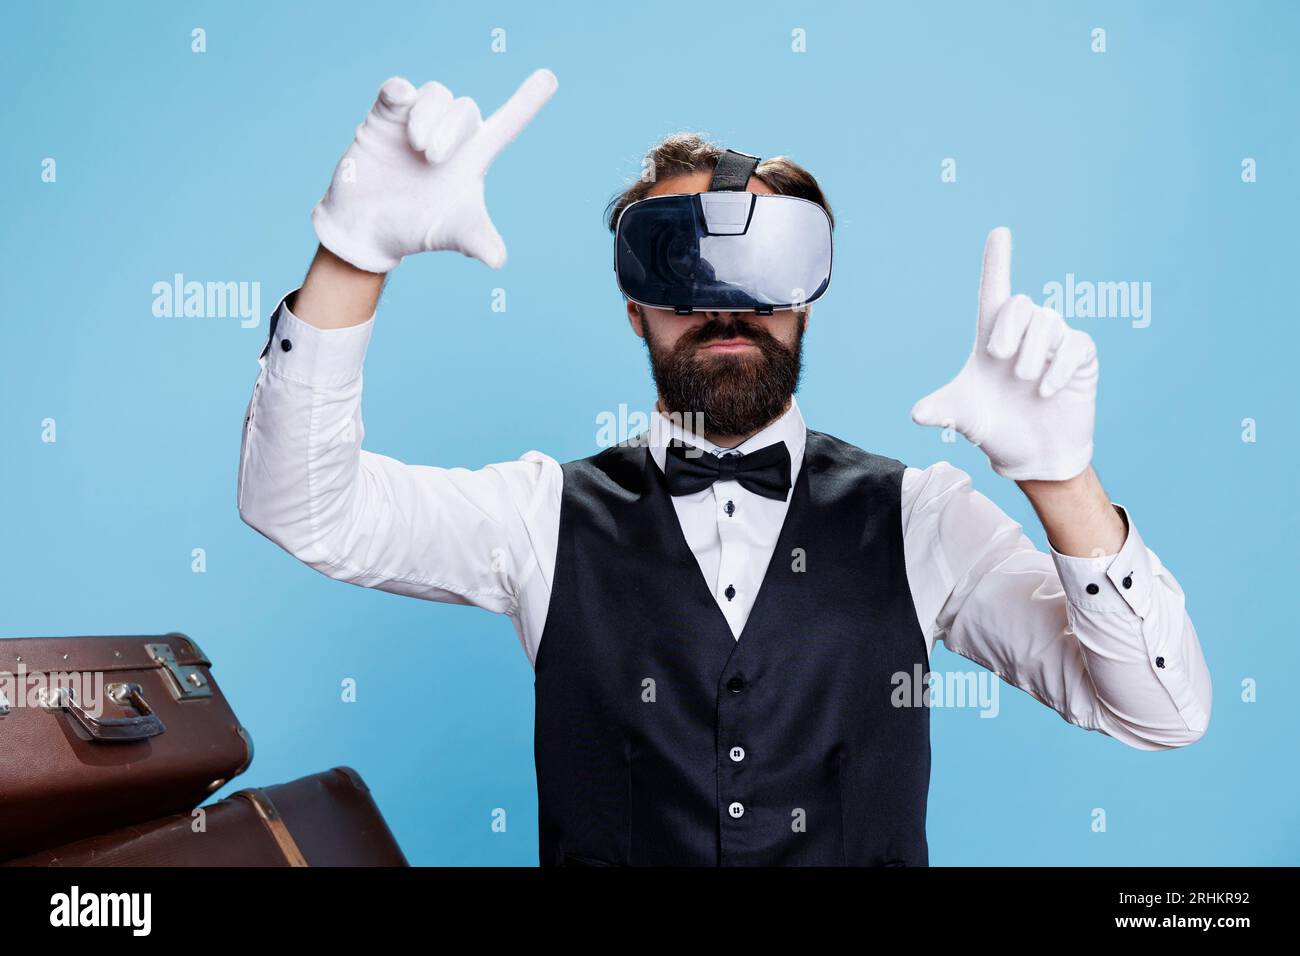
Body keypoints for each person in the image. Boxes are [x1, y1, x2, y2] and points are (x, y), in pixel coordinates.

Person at [237, 69, 1212, 867]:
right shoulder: (537, 515)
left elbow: (1160, 711)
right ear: (634, 306)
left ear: (808, 298)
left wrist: (1060, 481)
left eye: (763, 265)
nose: (723, 303)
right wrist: (351, 257)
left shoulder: (922, 516)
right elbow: (304, 508)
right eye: (676, 263)